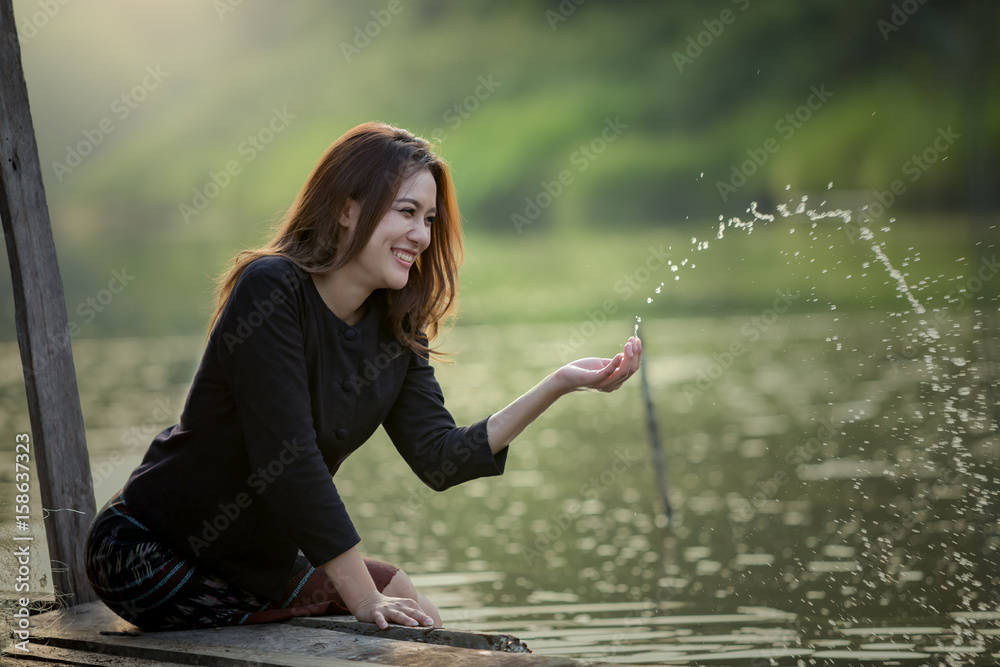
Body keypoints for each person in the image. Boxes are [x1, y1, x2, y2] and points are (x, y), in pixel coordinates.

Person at [84, 121, 642, 632]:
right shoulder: (271, 289)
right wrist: (361, 597)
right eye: (406, 212)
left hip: (251, 564)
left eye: (429, 220)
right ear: (348, 209)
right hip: (151, 552)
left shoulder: (395, 328)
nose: (421, 235)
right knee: (373, 614)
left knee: (418, 616)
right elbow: (290, 459)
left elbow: (441, 457)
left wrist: (559, 383)